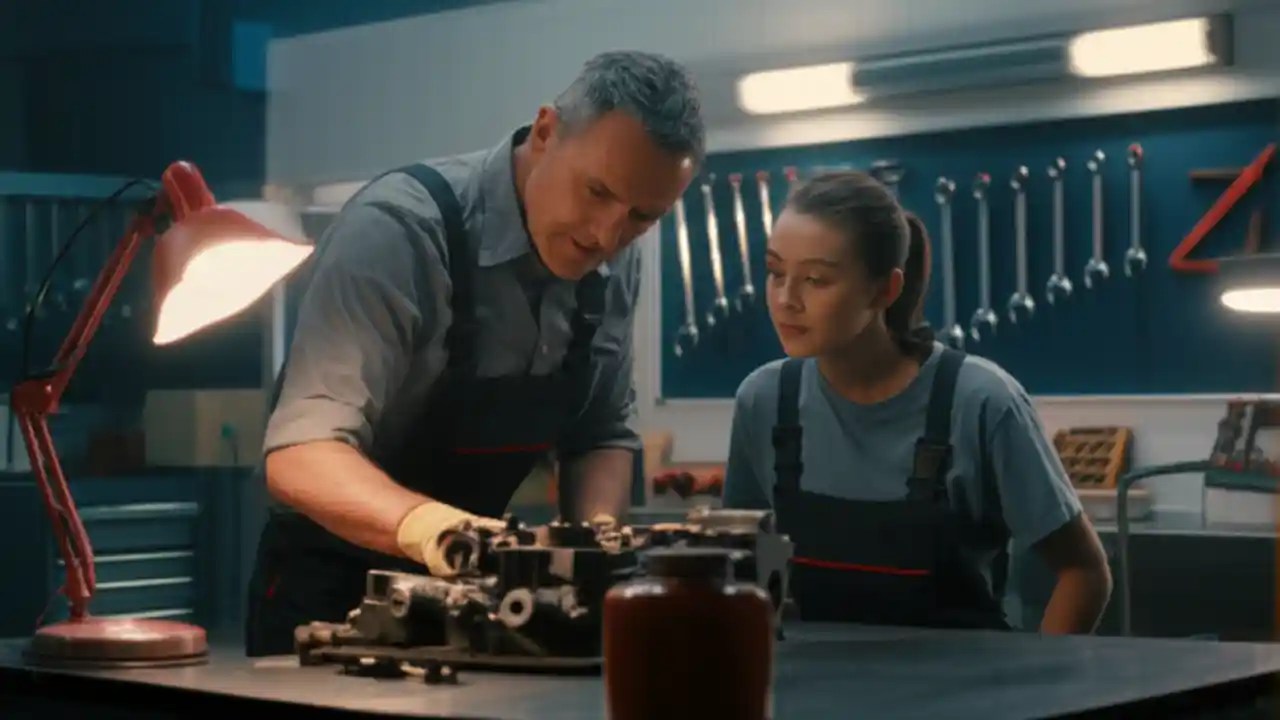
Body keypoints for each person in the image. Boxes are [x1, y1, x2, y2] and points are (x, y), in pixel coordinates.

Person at [243, 51, 705, 656]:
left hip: (477, 595)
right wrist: (442, 532)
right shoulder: (400, 231)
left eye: (641, 219)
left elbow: (599, 434)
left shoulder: (615, 260)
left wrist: (590, 555)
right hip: (330, 595)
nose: (606, 235)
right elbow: (301, 453)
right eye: (595, 192)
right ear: (545, 133)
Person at [722, 171, 1112, 634]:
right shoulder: (763, 401)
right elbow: (739, 564)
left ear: (885, 290)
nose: (786, 299)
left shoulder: (982, 402)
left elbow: (1084, 573)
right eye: (775, 272)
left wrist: (1040, 694)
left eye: (815, 279)